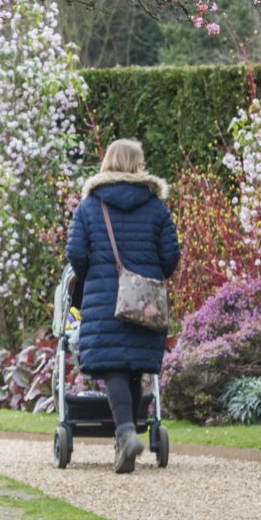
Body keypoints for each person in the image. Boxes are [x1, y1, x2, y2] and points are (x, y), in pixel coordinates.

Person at [66, 138, 181, 474]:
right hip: (144, 301)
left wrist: (92, 275)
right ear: (137, 164)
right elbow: (170, 256)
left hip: (105, 297)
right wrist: (153, 273)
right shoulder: (156, 205)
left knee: (114, 365)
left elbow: (75, 254)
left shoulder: (90, 206)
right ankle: (124, 442)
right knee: (133, 366)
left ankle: (127, 434)